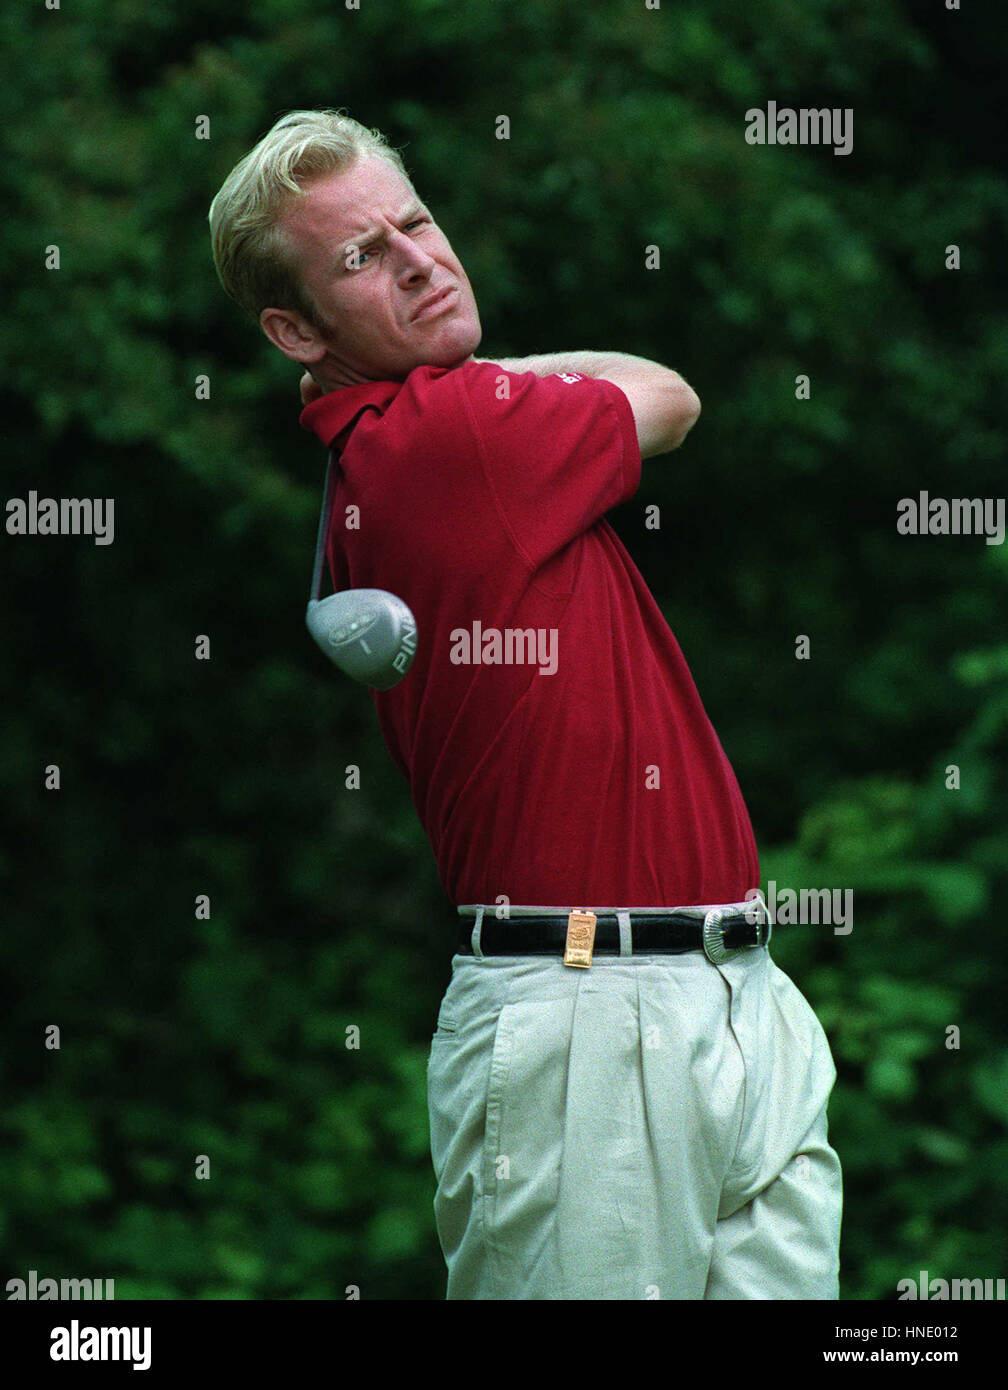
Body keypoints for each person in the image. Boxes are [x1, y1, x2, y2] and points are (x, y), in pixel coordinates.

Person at [209, 108, 843, 1300]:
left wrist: (476, 376)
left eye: (417, 221)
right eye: (361, 257)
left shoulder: (433, 433)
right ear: (295, 330)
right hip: (587, 1022)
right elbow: (668, 395)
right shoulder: (446, 441)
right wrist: (485, 379)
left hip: (731, 988)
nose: (418, 260)